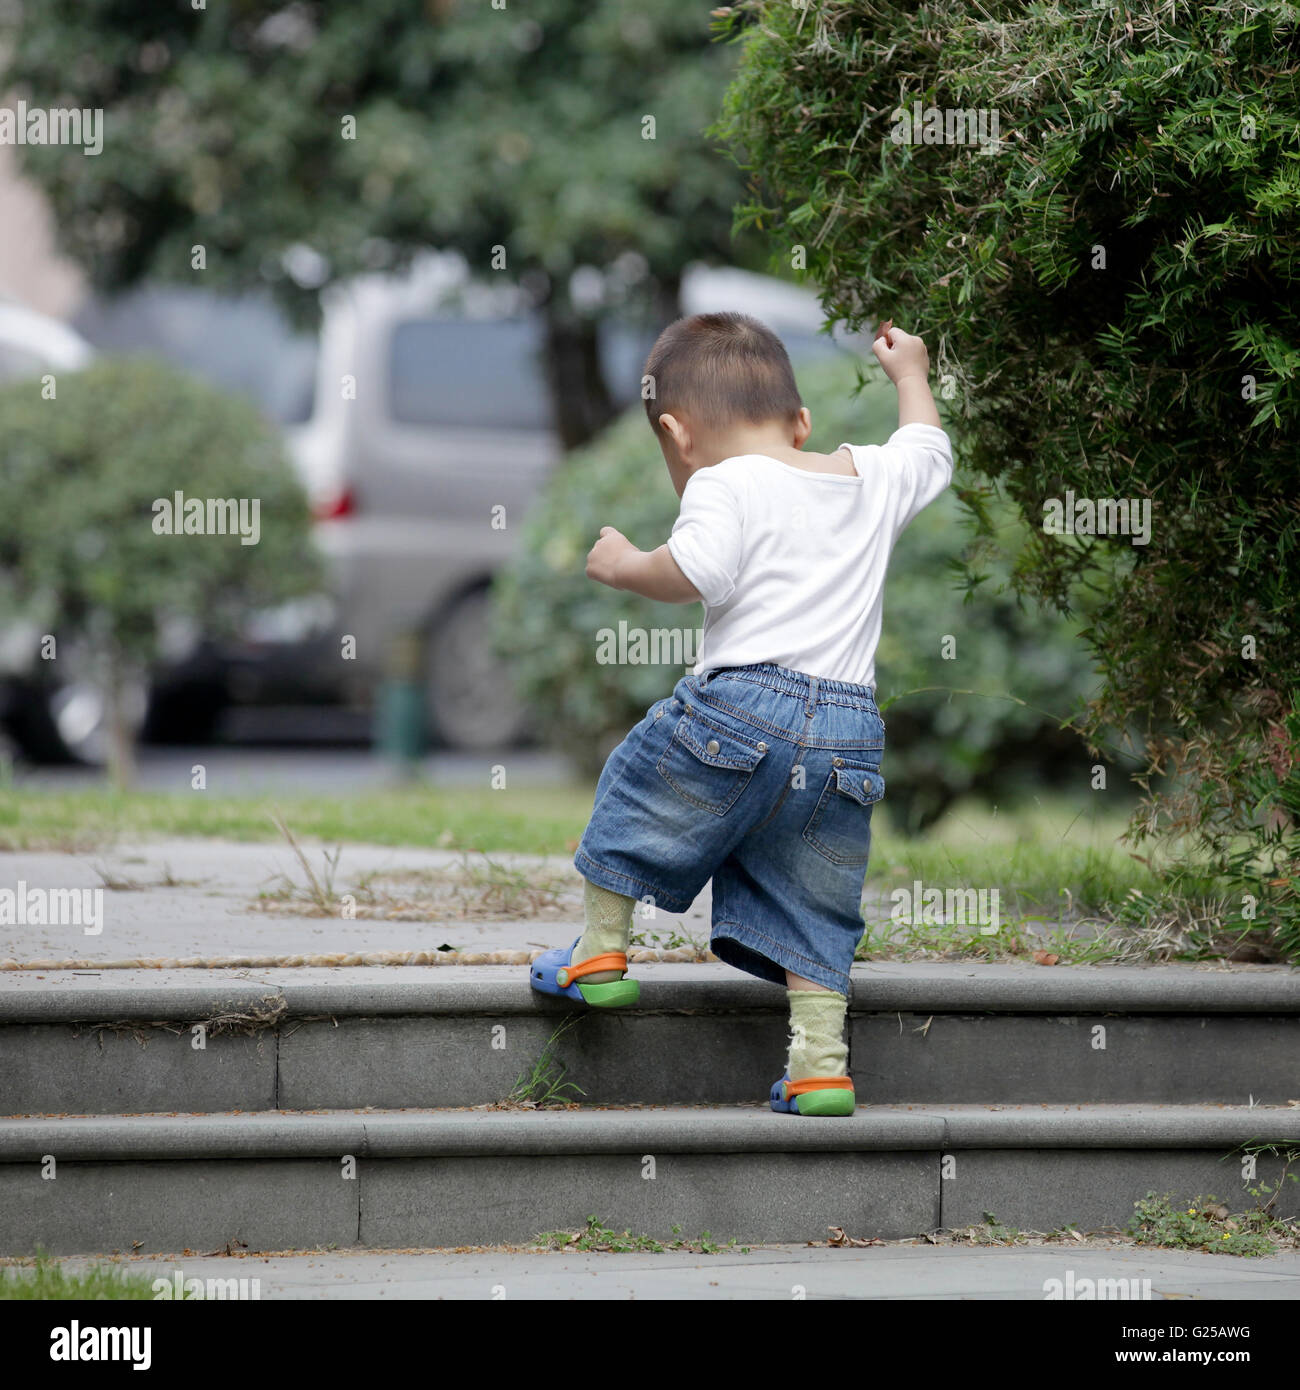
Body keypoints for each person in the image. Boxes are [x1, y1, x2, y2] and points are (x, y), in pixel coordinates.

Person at [529, 311, 952, 1116]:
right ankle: (821, 1067)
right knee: (816, 894)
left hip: (743, 703)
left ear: (677, 434)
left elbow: (699, 569)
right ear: (801, 421)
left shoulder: (725, 480)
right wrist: (910, 378)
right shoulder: (869, 478)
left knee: (636, 786)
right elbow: (929, 452)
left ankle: (601, 954)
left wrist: (624, 566)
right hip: (848, 734)